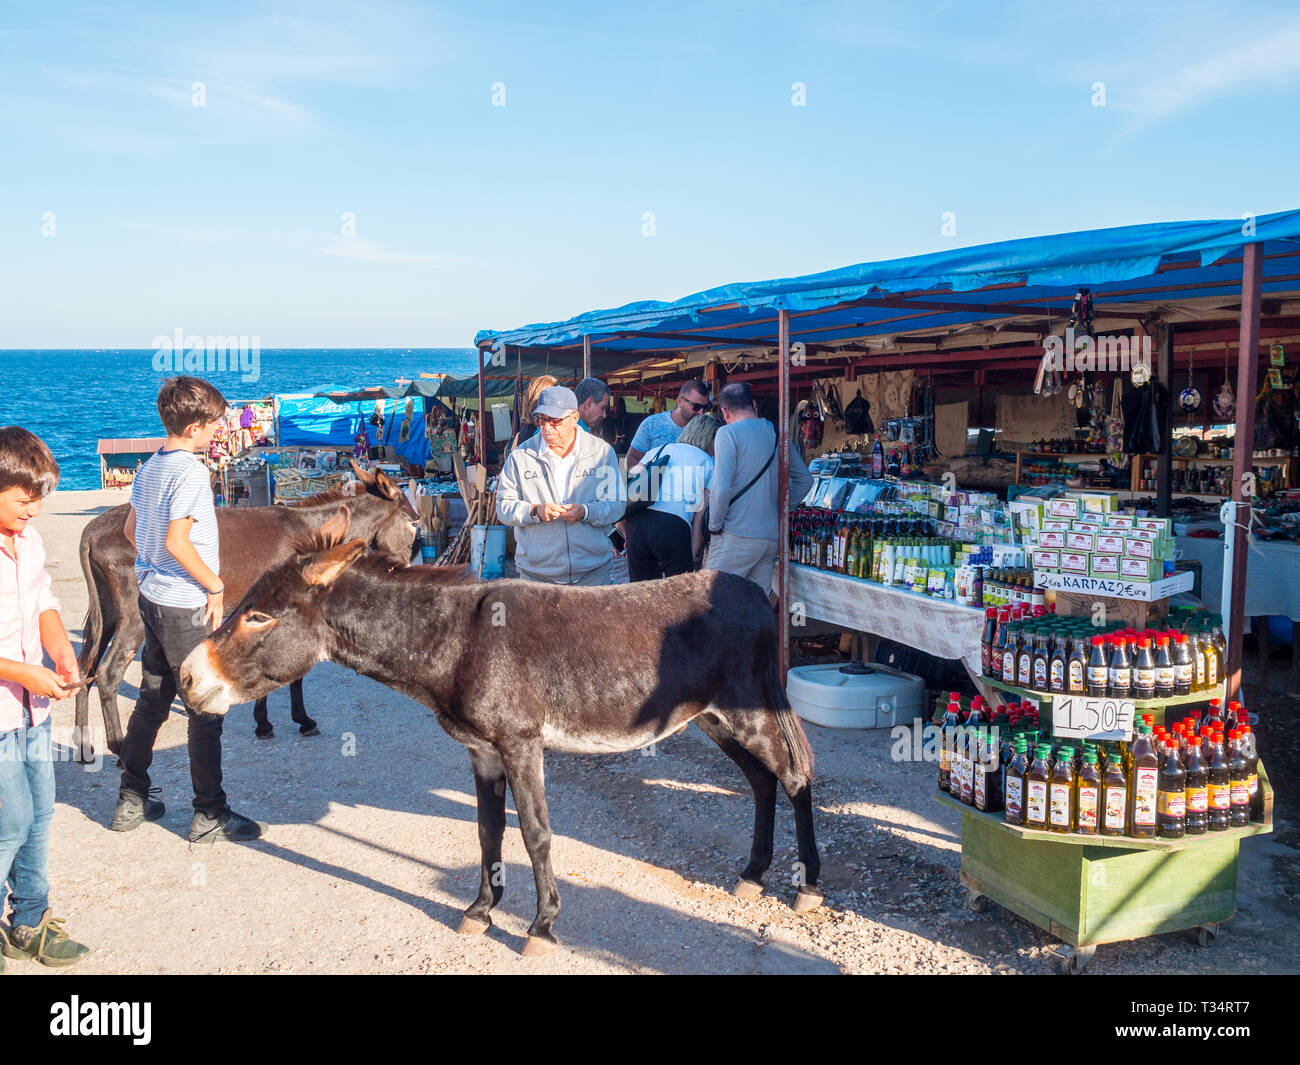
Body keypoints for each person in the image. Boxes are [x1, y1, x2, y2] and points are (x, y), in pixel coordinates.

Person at [112, 376, 264, 844]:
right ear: (197, 425)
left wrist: (148, 569)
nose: (221, 430)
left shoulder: (152, 466)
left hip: (154, 597)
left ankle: (131, 797)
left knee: (154, 697)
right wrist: (214, 586)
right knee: (205, 705)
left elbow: (134, 532)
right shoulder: (193, 473)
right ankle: (209, 812)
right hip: (184, 603)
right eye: (216, 423)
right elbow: (179, 541)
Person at [0, 427, 90, 968]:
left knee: (40, 813)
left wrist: (61, 656)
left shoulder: (27, 542)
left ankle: (30, 921)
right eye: (22, 499)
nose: (33, 510)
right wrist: (24, 673)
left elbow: (44, 604)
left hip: (31, 710)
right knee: (8, 820)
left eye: (39, 500)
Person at [496, 385, 624, 585]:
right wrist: (534, 511)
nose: (547, 427)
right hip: (537, 576)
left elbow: (616, 504)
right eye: (542, 419)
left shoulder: (602, 453)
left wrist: (585, 512)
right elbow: (503, 507)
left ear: (574, 418)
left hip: (592, 573)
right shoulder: (520, 457)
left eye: (555, 420)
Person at [705, 381, 813, 594]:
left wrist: (714, 527)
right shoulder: (776, 432)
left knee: (713, 604)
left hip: (735, 534)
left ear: (725, 412)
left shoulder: (727, 434)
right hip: (769, 537)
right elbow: (805, 480)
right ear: (753, 404)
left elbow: (721, 489)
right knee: (755, 608)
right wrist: (778, 509)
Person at [625, 414, 720, 582]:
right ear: (710, 439)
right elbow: (699, 520)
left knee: (638, 594)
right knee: (680, 595)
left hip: (637, 524)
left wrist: (624, 531)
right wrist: (691, 557)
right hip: (672, 527)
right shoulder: (708, 463)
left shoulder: (658, 450)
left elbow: (630, 488)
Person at [625, 379, 712, 468]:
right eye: (696, 407)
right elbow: (631, 459)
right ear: (679, 402)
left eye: (706, 407)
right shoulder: (651, 424)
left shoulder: (708, 431)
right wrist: (650, 477)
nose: (701, 412)